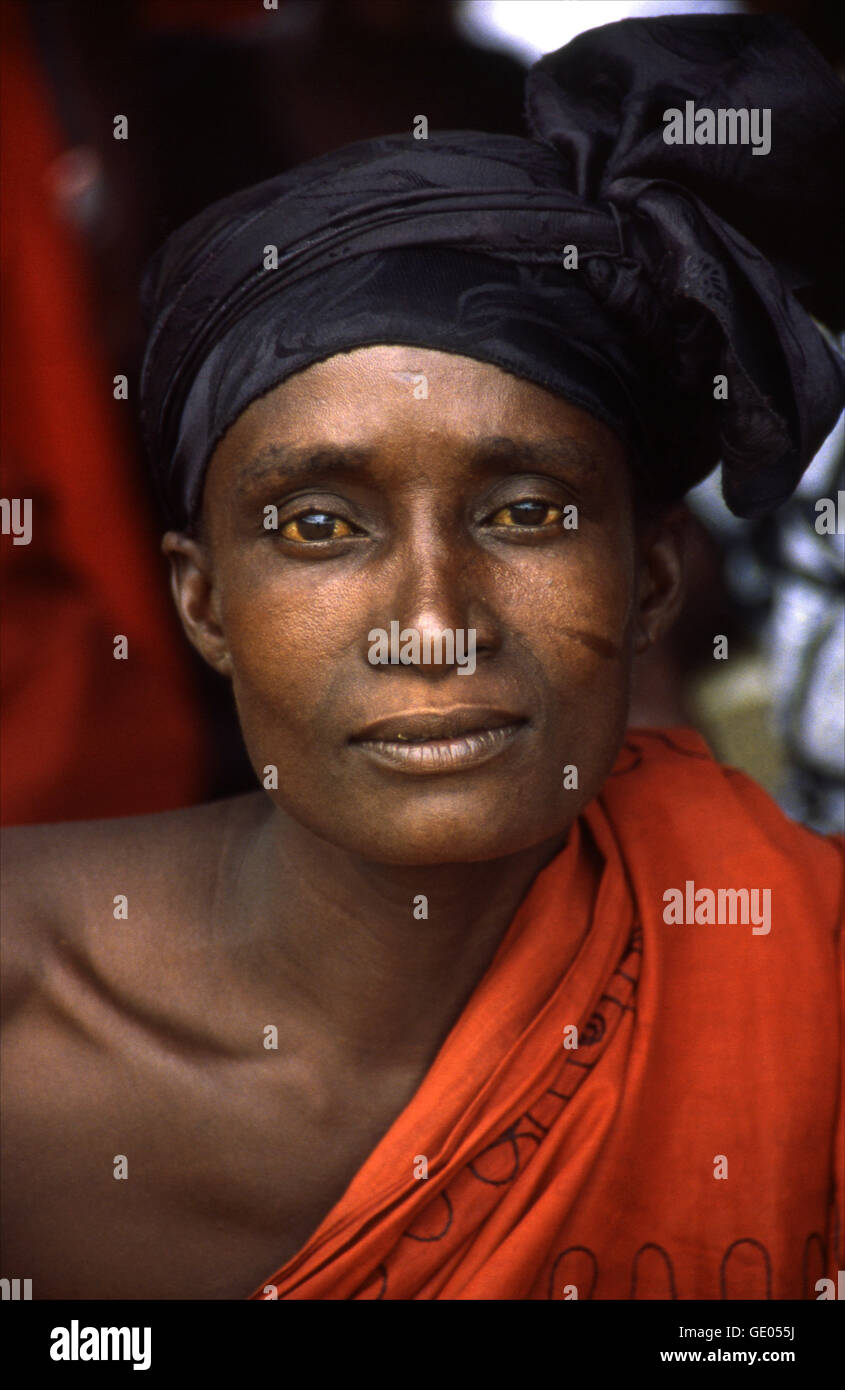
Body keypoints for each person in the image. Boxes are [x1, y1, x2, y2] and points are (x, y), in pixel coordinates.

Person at [2, 14, 843, 1301]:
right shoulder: (22, 1013)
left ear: (653, 579)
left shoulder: (804, 977)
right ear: (204, 601)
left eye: (524, 514)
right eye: (319, 526)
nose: (434, 623)